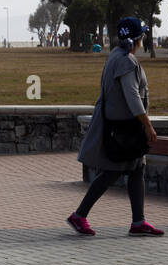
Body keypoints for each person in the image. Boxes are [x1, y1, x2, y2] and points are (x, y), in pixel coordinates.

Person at [68, 17, 163, 236]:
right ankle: (79, 215)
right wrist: (147, 124)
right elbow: (132, 94)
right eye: (143, 34)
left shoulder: (116, 56)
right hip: (125, 126)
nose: (145, 37)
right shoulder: (126, 61)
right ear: (138, 38)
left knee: (137, 168)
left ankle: (138, 221)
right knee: (113, 171)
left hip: (122, 123)